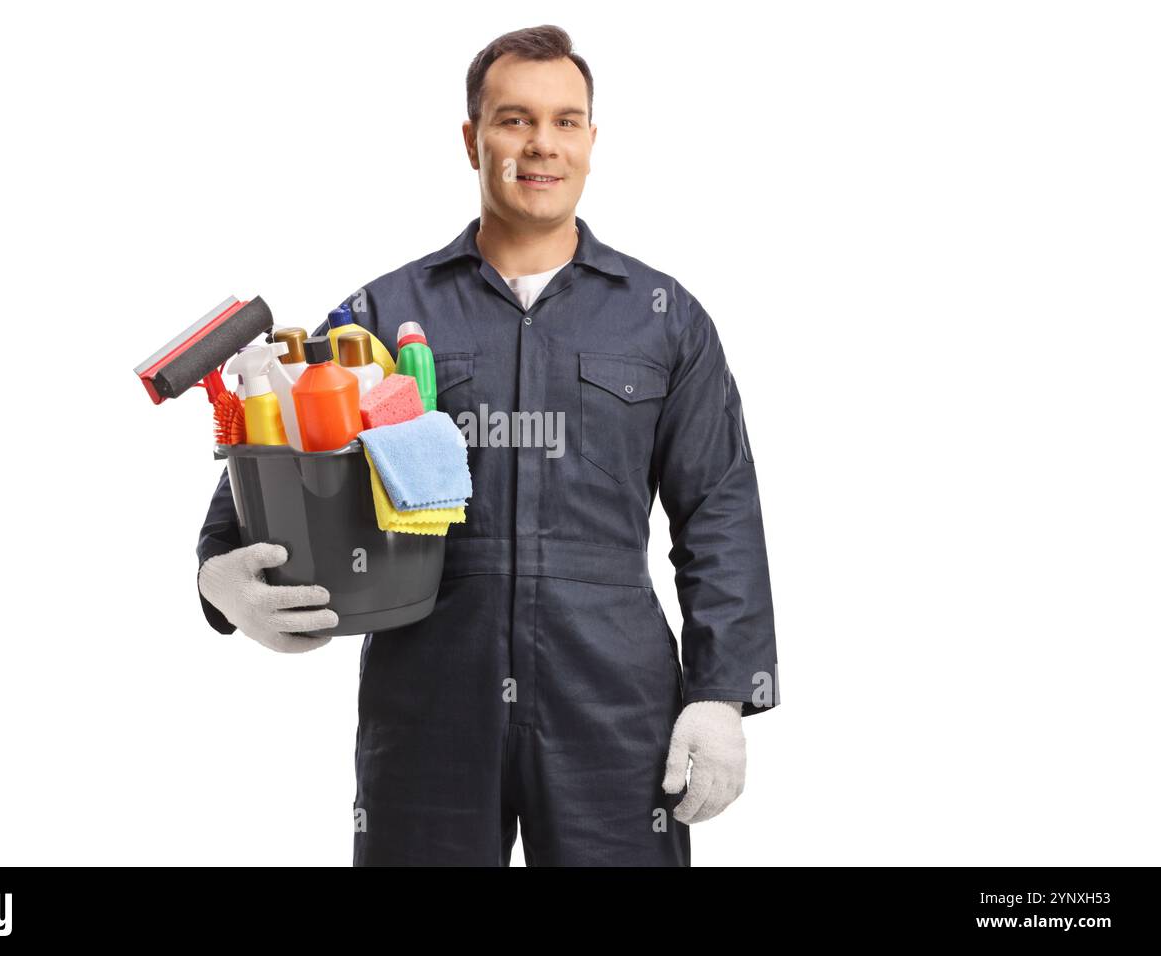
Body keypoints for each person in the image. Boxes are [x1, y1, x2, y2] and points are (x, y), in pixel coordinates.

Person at [196, 24, 780, 866]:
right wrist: (221, 580)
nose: (542, 144)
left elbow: (719, 508)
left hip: (612, 699)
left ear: (590, 140)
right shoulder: (382, 315)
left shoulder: (664, 318)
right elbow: (272, 454)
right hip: (430, 691)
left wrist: (724, 693)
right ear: (472, 139)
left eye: (566, 121)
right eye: (514, 119)